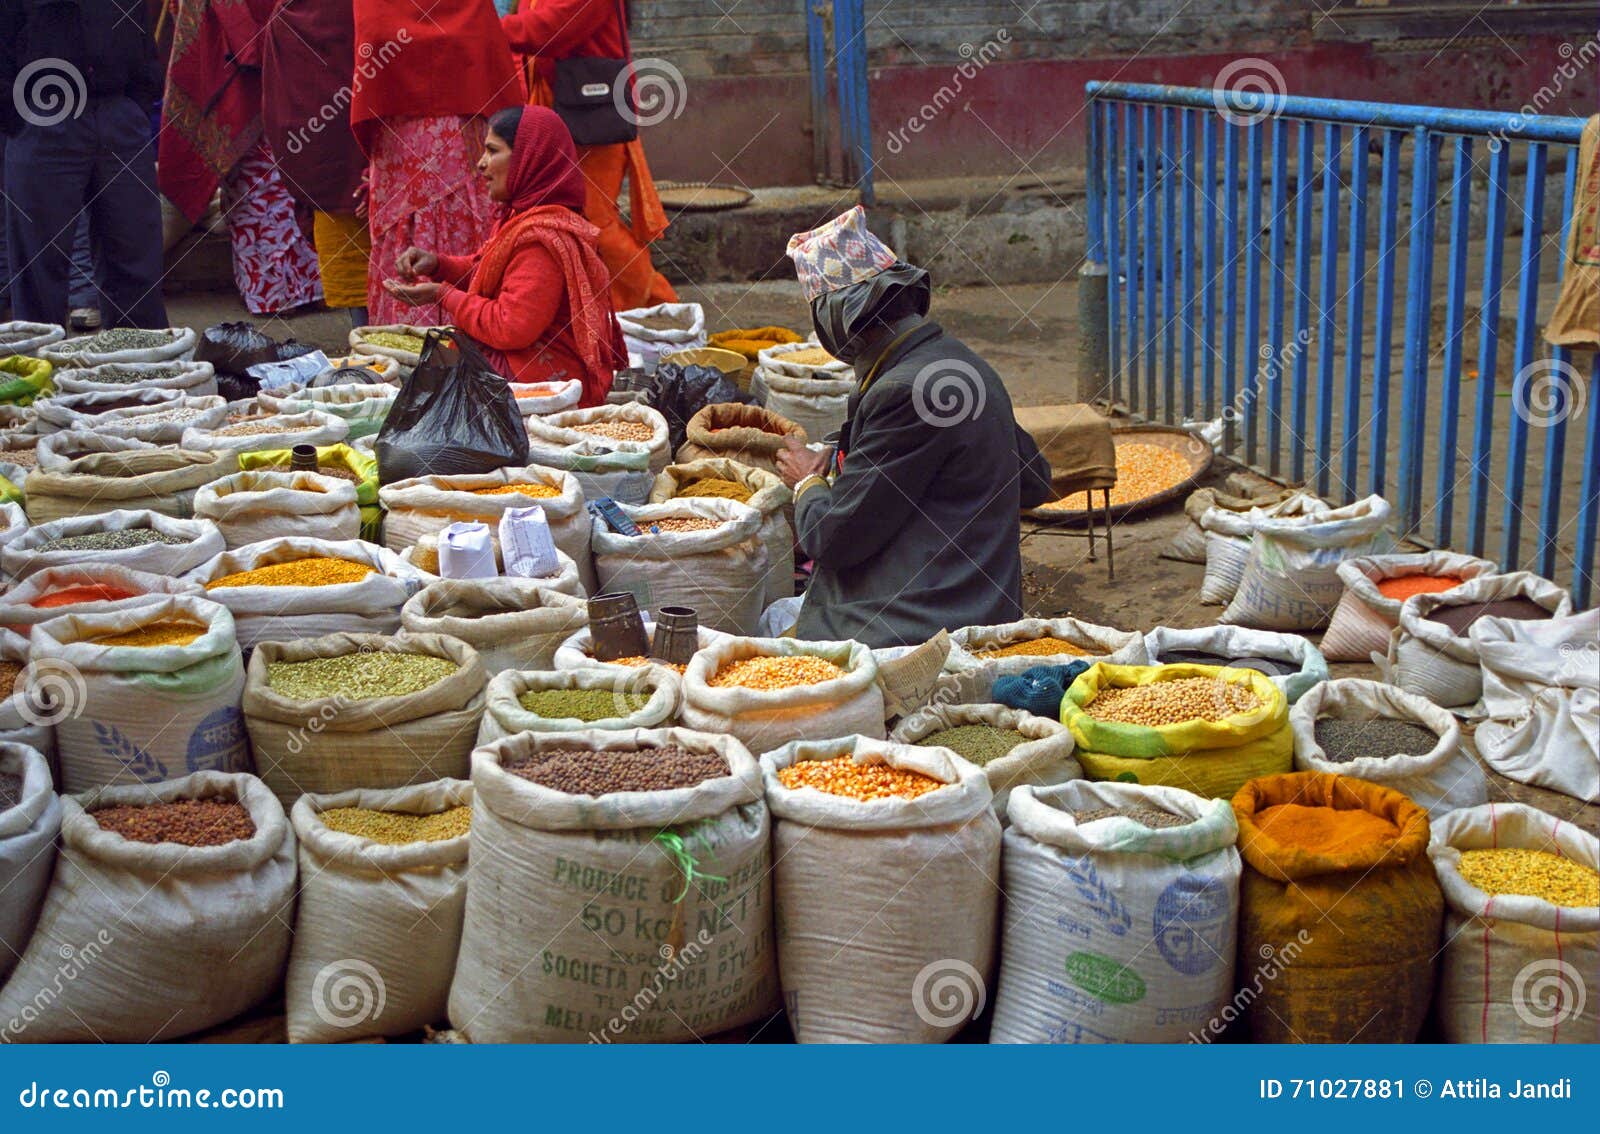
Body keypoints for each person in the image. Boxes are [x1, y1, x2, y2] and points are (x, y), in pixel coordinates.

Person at [774, 207, 1054, 648]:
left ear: (839, 323)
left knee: (778, 622)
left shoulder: (903, 392)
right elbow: (1035, 481)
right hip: (982, 598)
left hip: (931, 619)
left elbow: (834, 540)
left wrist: (807, 481)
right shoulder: (958, 361)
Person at [383, 106, 625, 407]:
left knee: (438, 373)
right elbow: (488, 271)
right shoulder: (522, 218)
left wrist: (442, 295)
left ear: (527, 159)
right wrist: (438, 265)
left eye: (493, 151)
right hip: (530, 362)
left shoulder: (541, 241)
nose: (481, 163)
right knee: (435, 366)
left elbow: (510, 327)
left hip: (549, 378)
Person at [352, 0, 524, 327]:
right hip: (443, 139)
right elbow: (490, 56)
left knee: (436, 233)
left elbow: (372, 48)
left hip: (414, 144)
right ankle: (474, 332)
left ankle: (422, 337)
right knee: (464, 229)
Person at [500, 0, 677, 311]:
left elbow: (551, 30)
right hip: (553, 109)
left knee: (593, 221)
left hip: (591, 117)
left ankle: (656, 305)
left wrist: (484, 28)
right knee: (558, 217)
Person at [0, 0, 168, 328]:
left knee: (135, 258)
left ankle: (138, 356)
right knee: (39, 266)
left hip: (119, 112)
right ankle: (40, 358)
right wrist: (16, 113)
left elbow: (140, 31)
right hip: (41, 114)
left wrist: (136, 103)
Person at [159, 0, 322, 317]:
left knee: (273, 189)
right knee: (262, 188)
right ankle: (288, 293)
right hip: (256, 81)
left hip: (261, 79)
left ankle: (285, 294)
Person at [261, 0, 372, 326]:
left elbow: (280, 107)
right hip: (381, 145)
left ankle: (365, 340)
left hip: (328, 156)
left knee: (358, 271)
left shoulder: (290, 12)